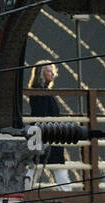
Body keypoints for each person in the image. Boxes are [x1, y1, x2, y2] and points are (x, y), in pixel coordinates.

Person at [27, 62, 73, 191]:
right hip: (48, 134)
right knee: (48, 166)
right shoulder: (41, 93)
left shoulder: (41, 92)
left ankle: (24, 193)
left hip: (45, 134)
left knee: (35, 167)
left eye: (52, 71)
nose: (52, 73)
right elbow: (41, 115)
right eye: (48, 71)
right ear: (41, 73)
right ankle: (67, 194)